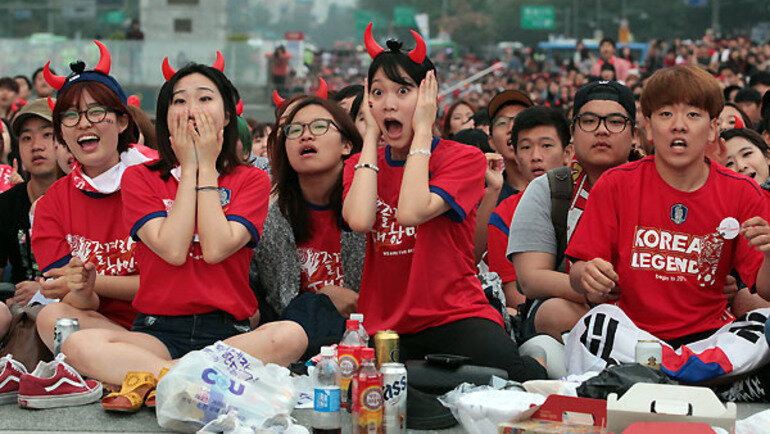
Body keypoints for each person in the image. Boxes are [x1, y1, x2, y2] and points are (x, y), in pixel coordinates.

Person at [61, 61, 307, 395]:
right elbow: (173, 250)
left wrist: (206, 165)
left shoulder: (251, 179)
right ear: (165, 117)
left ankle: (162, 378)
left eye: (204, 99)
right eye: (179, 101)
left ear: (226, 116)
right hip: (156, 331)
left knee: (291, 335)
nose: (191, 109)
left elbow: (217, 247)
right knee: (78, 344)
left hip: (227, 334)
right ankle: (192, 377)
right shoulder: (139, 177)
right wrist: (189, 166)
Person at [342, 23, 546, 381]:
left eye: (403, 91)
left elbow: (410, 211)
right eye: (378, 92)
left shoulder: (462, 158)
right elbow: (359, 220)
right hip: (385, 325)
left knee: (518, 382)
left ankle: (539, 355)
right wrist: (371, 139)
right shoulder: (360, 167)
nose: (389, 103)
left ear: (426, 97)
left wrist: (423, 129)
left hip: (454, 314)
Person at [565, 66, 770, 394]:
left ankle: (657, 378)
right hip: (633, 337)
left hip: (709, 340)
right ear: (647, 126)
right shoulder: (617, 184)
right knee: (595, 323)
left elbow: (765, 290)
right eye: (665, 113)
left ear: (714, 127)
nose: (679, 124)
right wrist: (587, 274)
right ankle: (699, 381)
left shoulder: (743, 192)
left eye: (693, 114)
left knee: (764, 326)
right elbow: (578, 274)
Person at [32, 42, 152, 354]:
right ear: (61, 132)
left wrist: (92, 280)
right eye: (70, 116)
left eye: (96, 111)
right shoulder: (52, 205)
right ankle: (157, 368)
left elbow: (166, 285)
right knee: (52, 319)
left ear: (123, 121)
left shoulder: (161, 181)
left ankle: (143, 369)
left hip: (168, 321)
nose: (84, 123)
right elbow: (73, 298)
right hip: (104, 327)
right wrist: (84, 289)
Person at [507, 81, 636, 343]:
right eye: (589, 121)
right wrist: (593, 292)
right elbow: (531, 279)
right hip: (572, 304)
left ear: (634, 134)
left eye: (615, 121)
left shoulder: (656, 185)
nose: (601, 130)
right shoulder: (551, 188)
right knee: (555, 313)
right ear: (572, 134)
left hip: (648, 306)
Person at [250, 96, 365, 356]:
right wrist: (323, 298)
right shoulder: (269, 222)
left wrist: (356, 302)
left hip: (366, 343)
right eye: (295, 130)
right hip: (293, 346)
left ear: (346, 144)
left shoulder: (371, 213)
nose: (306, 136)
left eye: (319, 127)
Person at [486, 106, 573, 313]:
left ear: (568, 152)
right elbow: (517, 298)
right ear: (515, 156)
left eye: (546, 145)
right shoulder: (503, 215)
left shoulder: (595, 198)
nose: (535, 156)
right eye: (525, 148)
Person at [0, 100, 59, 307]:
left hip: (70, 307)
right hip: (18, 309)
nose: (36, 146)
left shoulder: (83, 199)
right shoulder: (6, 204)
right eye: (26, 138)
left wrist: (44, 290)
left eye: (47, 135)